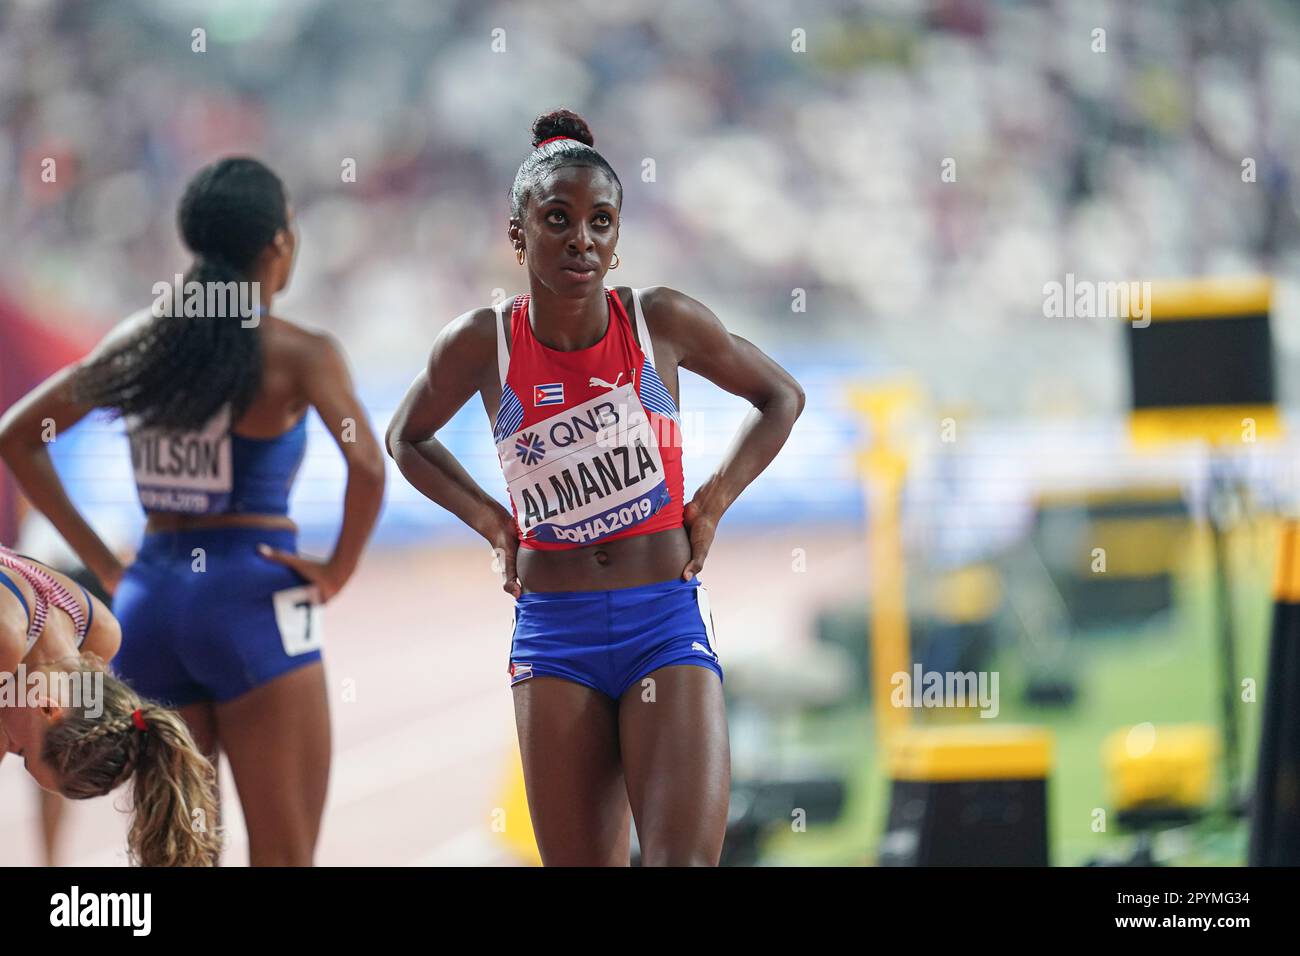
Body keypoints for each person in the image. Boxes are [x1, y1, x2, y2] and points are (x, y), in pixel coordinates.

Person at [387, 109, 805, 865]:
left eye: (600, 221)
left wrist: (712, 499)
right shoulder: (486, 343)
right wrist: (492, 523)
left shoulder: (659, 322)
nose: (582, 238)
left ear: (617, 239)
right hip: (556, 637)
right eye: (558, 219)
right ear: (518, 235)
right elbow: (404, 438)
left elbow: (781, 396)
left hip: (663, 624)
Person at [0, 157, 387, 865]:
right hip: (254, 598)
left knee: (178, 848)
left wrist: (104, 560)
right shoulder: (298, 352)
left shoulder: (142, 340)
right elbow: (367, 464)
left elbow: (18, 437)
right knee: (285, 855)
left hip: (149, 599)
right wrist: (334, 573)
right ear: (278, 244)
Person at [0, 542, 220, 866]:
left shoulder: (97, 633)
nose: (8, 748)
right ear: (48, 708)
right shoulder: (7, 640)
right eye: (22, 753)